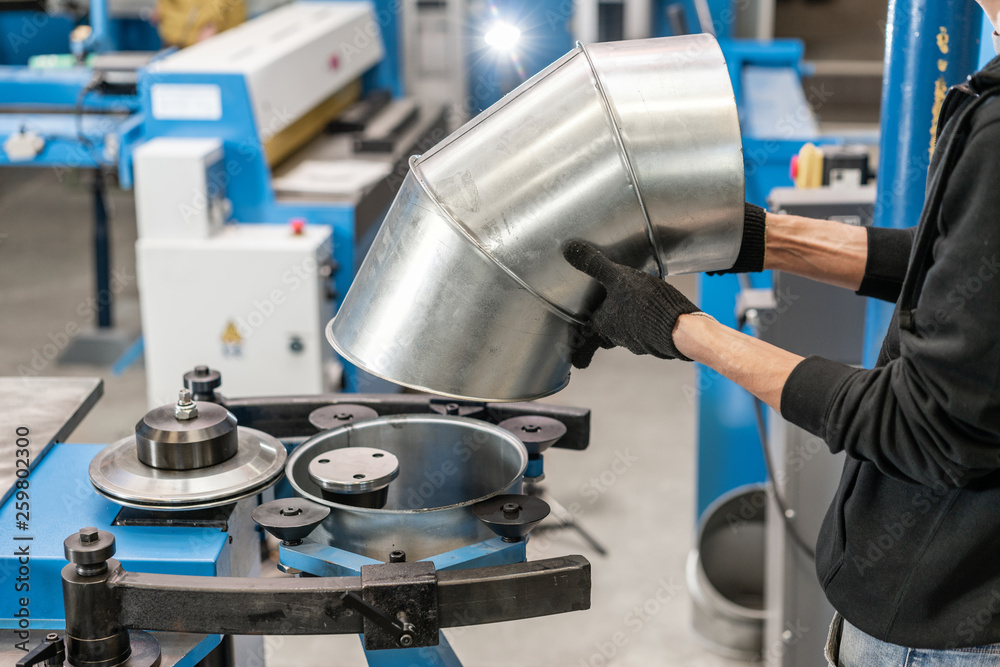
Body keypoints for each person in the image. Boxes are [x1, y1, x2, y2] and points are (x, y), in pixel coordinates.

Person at [562, 5, 1000, 665]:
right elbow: (964, 272)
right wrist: (762, 237)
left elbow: (929, 425)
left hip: (946, 623)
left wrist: (680, 328)